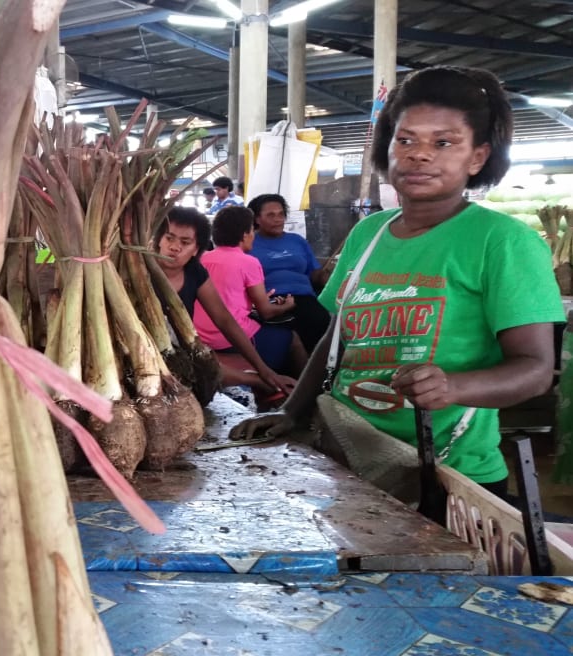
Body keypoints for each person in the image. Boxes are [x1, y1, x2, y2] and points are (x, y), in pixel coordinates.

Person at [230, 66, 566, 496]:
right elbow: (337, 338)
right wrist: (292, 411)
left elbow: (536, 371)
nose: (419, 155)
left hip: (449, 472)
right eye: (405, 140)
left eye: (443, 143)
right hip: (351, 456)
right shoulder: (368, 234)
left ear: (477, 156)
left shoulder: (503, 242)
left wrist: (454, 386)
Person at [154, 207, 295, 397]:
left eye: (185, 242)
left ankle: (259, 379)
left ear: (196, 250)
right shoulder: (140, 270)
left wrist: (262, 368)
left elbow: (224, 319)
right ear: (158, 240)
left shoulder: (195, 272)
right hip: (148, 351)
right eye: (169, 238)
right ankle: (252, 379)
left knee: (199, 367)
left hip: (178, 350)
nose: (174, 247)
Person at [194, 206, 299, 374]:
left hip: (201, 337)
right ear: (244, 235)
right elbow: (266, 312)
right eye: (252, 230)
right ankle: (297, 389)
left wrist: (253, 301)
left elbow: (224, 295)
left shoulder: (201, 259)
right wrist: (287, 305)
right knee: (292, 339)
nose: (253, 236)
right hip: (228, 338)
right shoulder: (248, 262)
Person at [248, 193, 332, 353]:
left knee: (320, 319)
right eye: (271, 215)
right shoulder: (249, 243)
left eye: (281, 214)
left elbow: (314, 272)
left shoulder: (297, 240)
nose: (278, 219)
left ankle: (318, 371)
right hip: (269, 299)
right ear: (257, 219)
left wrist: (328, 277)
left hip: (303, 296)